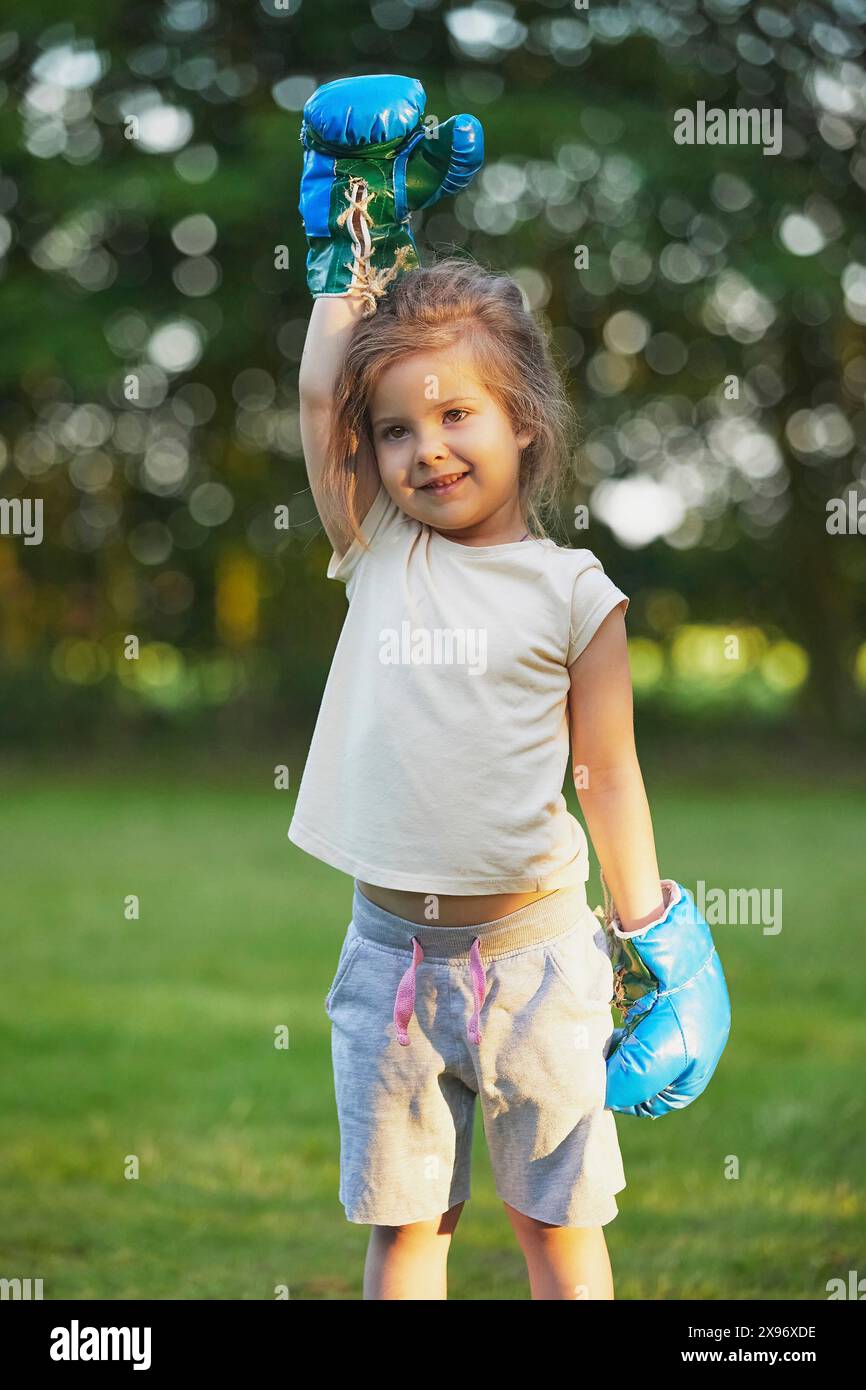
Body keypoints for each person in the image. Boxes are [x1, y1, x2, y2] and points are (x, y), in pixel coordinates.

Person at [290, 75, 669, 1300]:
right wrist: (344, 270)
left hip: (540, 957)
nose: (423, 448)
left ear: (523, 424)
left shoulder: (571, 589)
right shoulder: (377, 548)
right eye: (394, 429)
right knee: (408, 1234)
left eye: (455, 414)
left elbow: (605, 773)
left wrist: (653, 931)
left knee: (556, 1233)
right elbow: (315, 396)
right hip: (388, 961)